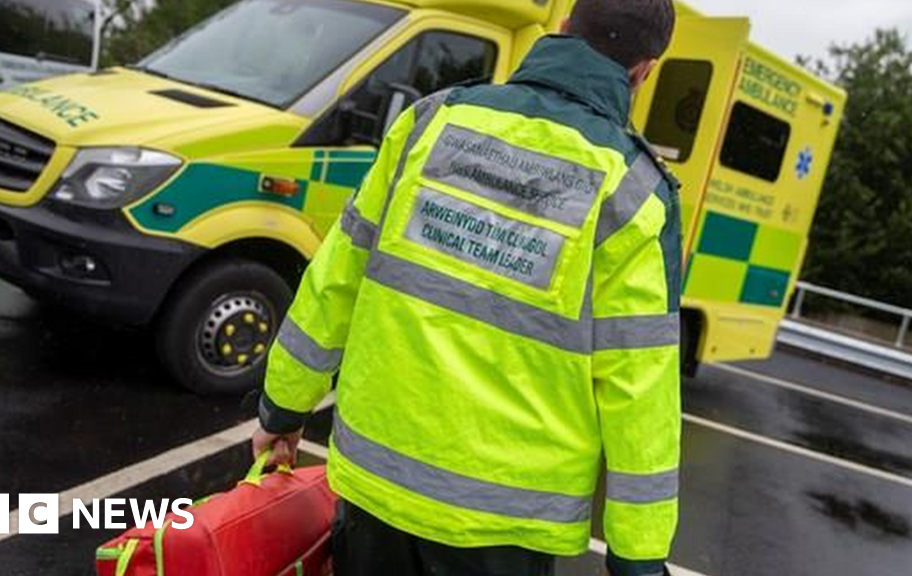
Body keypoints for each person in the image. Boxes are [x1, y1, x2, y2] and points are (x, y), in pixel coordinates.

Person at [252, 0, 682, 574]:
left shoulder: (430, 123)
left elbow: (334, 282)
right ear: (643, 71)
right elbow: (640, 386)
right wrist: (638, 555)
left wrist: (282, 409)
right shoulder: (635, 193)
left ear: (561, 29)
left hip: (376, 491)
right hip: (504, 527)